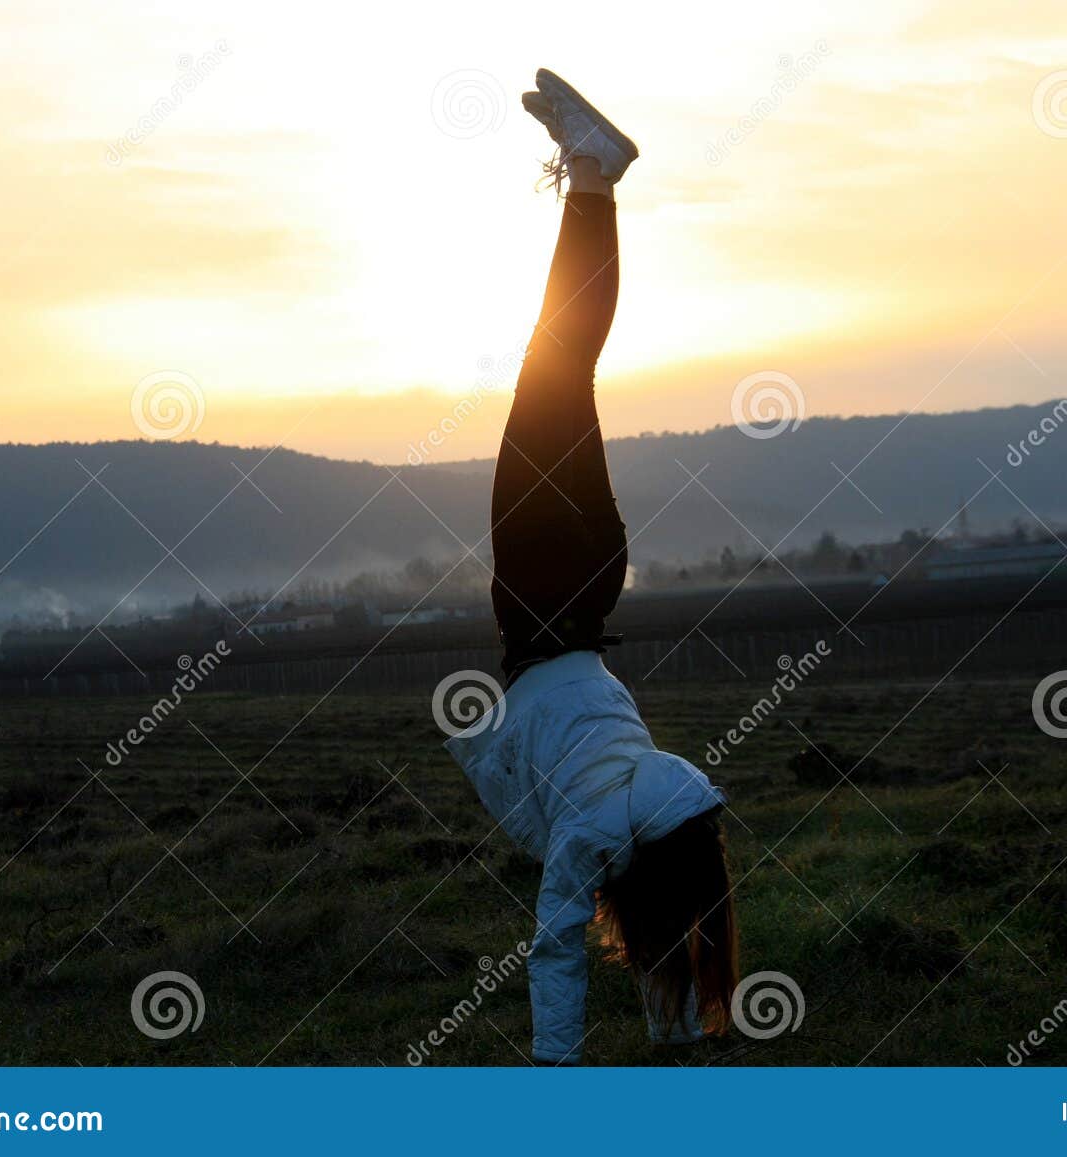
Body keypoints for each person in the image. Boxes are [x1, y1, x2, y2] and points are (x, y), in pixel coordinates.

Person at [443, 69, 739, 1065]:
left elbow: (679, 904)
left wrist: (682, 1018)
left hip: (596, 573)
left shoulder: (676, 795)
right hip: (540, 595)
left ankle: (592, 176)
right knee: (550, 362)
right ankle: (593, 176)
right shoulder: (570, 840)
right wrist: (552, 1076)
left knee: (563, 364)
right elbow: (554, 953)